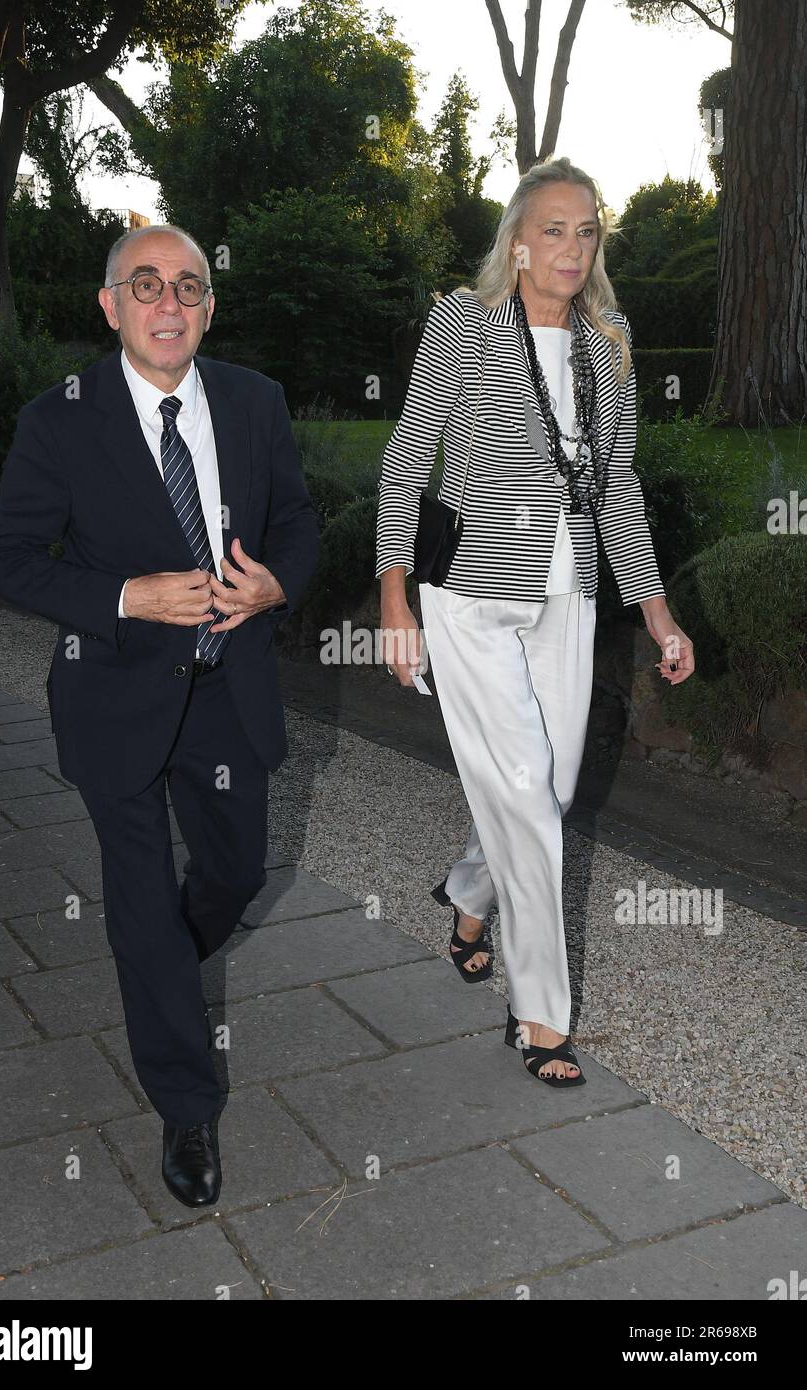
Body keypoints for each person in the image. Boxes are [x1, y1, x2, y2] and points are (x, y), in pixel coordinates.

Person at [0, 224, 319, 1204]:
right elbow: (8, 558)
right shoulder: (59, 420)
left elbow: (296, 519)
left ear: (208, 306)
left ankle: (154, 964)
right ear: (110, 305)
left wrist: (272, 587)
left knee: (237, 873)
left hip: (228, 689)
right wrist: (128, 596)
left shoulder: (255, 403)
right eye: (145, 285)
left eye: (188, 286)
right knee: (138, 902)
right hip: (113, 696)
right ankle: (187, 1108)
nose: (168, 304)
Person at [376, 157, 694, 1088]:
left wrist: (660, 615)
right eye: (554, 228)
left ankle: (469, 893)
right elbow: (408, 462)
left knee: (547, 790)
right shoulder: (461, 324)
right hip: (470, 594)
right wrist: (394, 601)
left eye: (586, 229)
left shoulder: (610, 340)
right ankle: (539, 1015)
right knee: (527, 797)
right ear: (518, 240)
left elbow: (619, 487)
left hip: (570, 594)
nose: (571, 245)